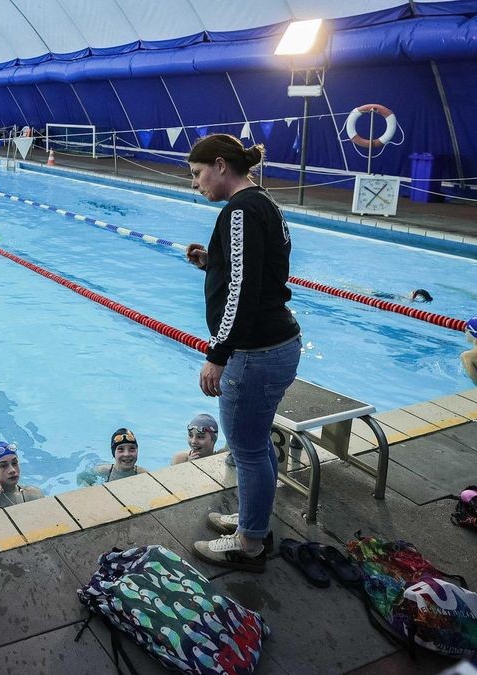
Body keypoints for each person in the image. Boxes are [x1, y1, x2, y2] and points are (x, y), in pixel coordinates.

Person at [184, 135, 302, 573]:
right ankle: (253, 521)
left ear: (220, 165)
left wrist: (218, 352)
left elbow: (242, 289)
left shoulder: (238, 211)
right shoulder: (263, 202)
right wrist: (211, 261)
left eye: (197, 174)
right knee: (258, 446)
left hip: (254, 352)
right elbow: (255, 269)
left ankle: (249, 544)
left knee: (248, 450)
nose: (196, 184)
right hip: (277, 344)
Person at [78, 428, 148, 485]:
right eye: (120, 449)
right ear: (113, 453)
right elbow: (81, 476)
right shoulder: (103, 471)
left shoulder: (143, 473)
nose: (127, 454)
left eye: (132, 449)